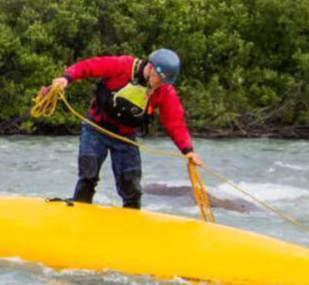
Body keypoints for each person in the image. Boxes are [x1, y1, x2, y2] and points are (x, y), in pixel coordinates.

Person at [44, 48, 198, 209]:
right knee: (88, 176)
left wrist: (188, 151)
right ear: (151, 67)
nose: (160, 84)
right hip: (96, 129)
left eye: (165, 81)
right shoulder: (123, 66)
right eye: (159, 79)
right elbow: (88, 67)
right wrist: (66, 78)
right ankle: (80, 214)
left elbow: (175, 122)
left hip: (125, 136)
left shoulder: (164, 91)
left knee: (131, 187)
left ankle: (132, 223)